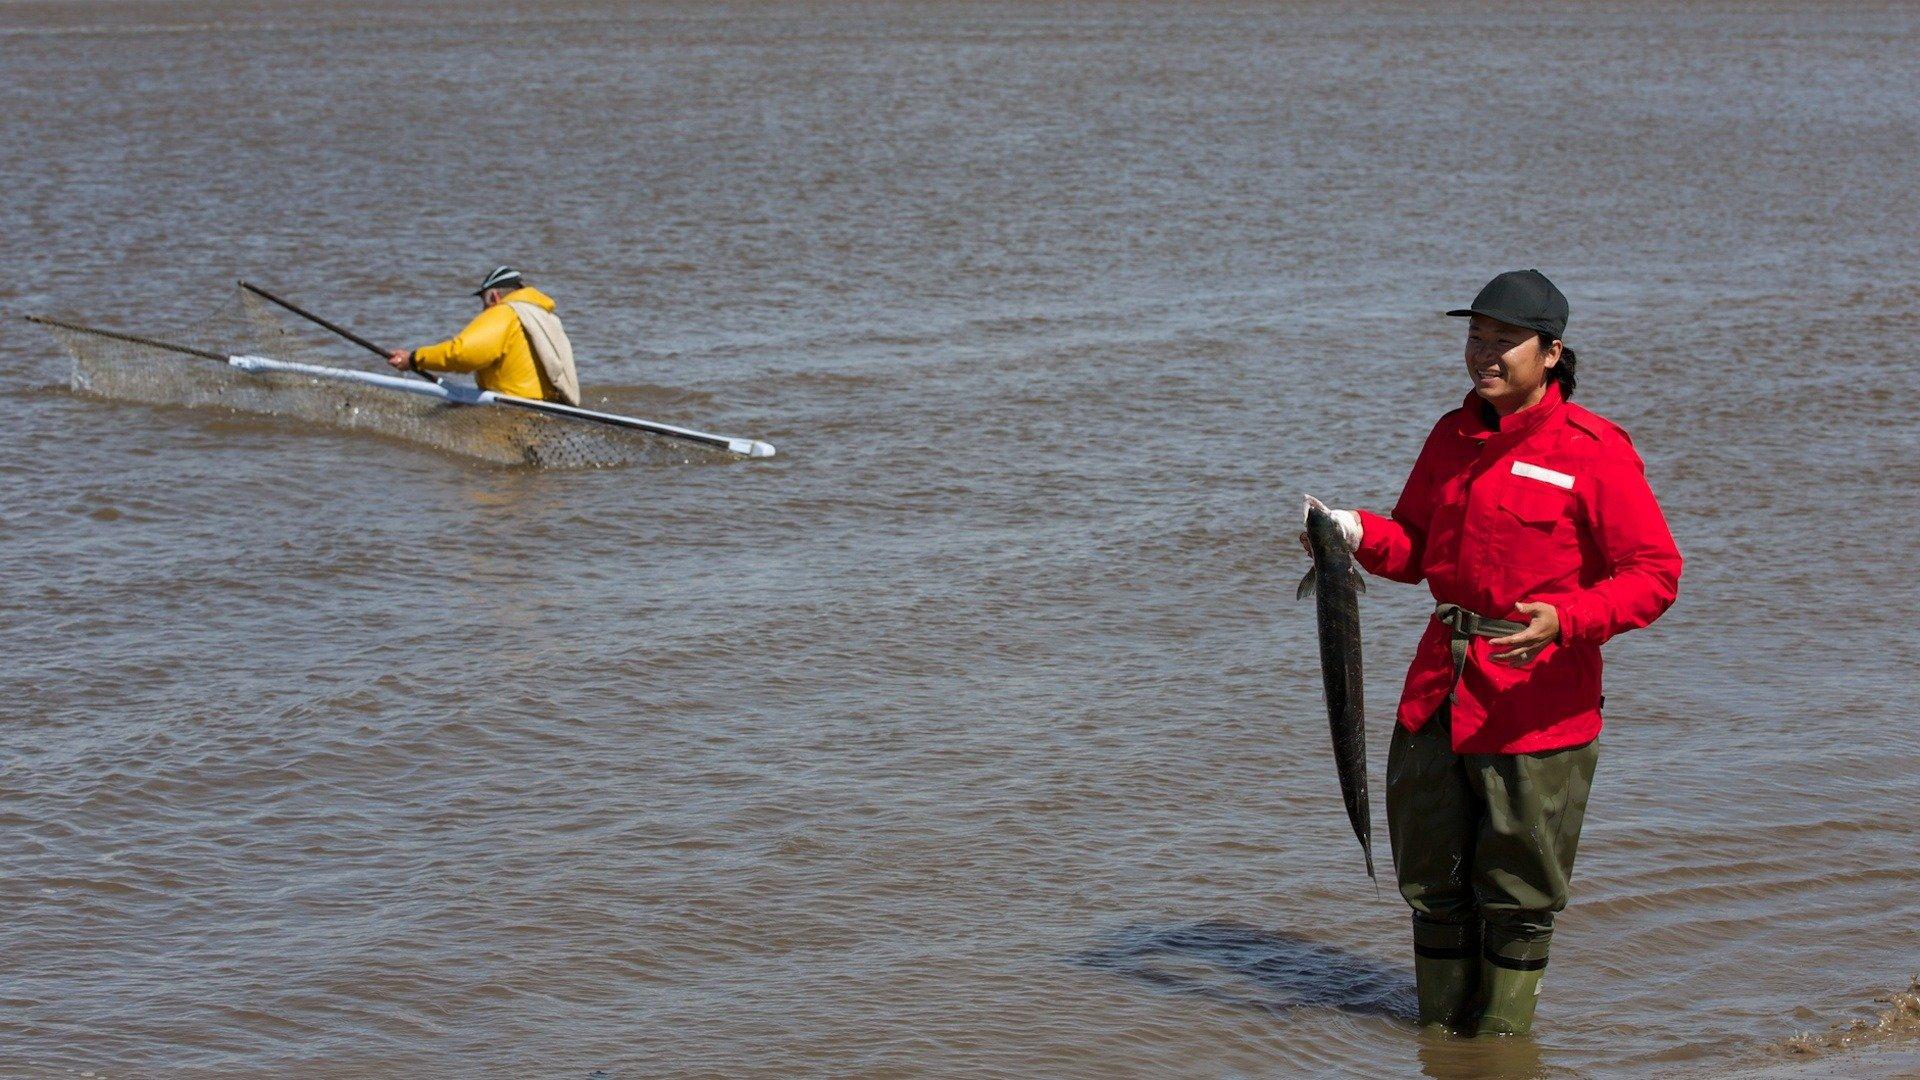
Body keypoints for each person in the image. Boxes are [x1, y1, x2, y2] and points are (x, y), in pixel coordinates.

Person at [1305, 269, 1681, 1037]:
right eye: (1476, 335)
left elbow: (1655, 575)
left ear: (1551, 353)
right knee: (1433, 884)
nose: (1485, 351)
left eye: (1504, 339)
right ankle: (1442, 1043)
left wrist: (1569, 618)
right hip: (1438, 690)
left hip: (1537, 706)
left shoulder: (1596, 450)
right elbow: (1413, 549)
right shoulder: (1451, 435)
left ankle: (1504, 1049)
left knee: (1519, 896)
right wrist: (1353, 532)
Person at [388, 266, 581, 405]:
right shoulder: (545, 316)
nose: (483, 309)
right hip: (549, 409)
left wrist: (414, 359)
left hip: (513, 410)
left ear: (495, 297)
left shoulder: (504, 312)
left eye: (484, 301)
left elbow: (463, 354)